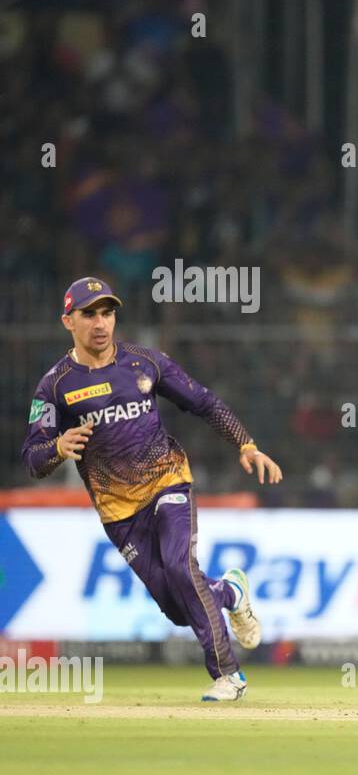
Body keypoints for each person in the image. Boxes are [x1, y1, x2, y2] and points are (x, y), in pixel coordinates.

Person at [21, 277, 284, 701]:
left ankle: (229, 676)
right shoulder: (55, 385)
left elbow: (203, 400)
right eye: (89, 314)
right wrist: (57, 446)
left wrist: (245, 443)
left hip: (168, 482)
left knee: (181, 567)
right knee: (178, 608)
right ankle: (231, 592)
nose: (101, 323)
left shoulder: (145, 363)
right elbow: (32, 458)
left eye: (107, 312)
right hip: (119, 513)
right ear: (68, 321)